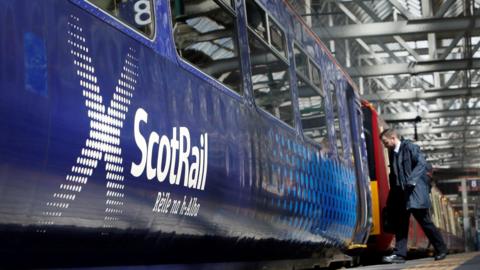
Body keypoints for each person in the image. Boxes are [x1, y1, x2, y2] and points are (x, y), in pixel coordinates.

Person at [380, 128, 447, 263]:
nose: (384, 145)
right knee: (401, 224)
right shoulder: (393, 152)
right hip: (401, 195)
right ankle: (399, 254)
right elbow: (394, 175)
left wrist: (412, 180)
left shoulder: (409, 147)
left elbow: (422, 163)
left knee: (425, 222)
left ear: (393, 137)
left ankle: (441, 249)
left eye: (385, 142)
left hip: (414, 193)